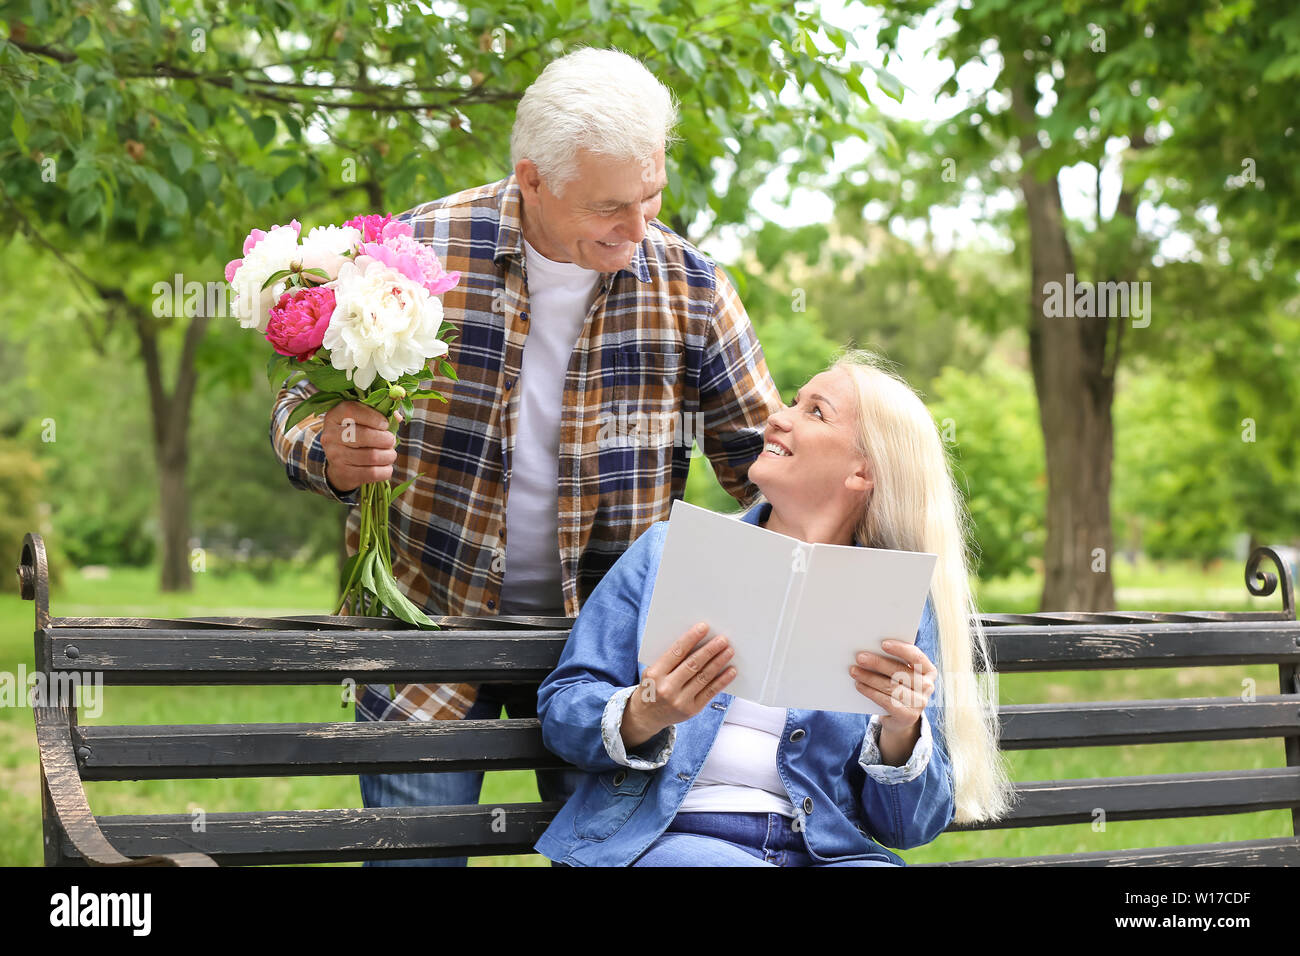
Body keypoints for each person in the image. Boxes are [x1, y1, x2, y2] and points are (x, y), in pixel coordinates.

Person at [268, 47, 786, 865]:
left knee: (611, 860)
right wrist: (327, 451)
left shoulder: (690, 286)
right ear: (533, 178)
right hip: (427, 630)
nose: (637, 228)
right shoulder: (418, 254)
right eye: (610, 207)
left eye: (650, 196)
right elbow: (299, 409)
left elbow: (767, 464)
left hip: (611, 660)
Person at [534, 349, 1018, 866]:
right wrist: (645, 711)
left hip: (829, 854)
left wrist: (901, 732)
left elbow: (909, 828)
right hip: (679, 840)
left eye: (815, 412)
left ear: (861, 472)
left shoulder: (897, 601)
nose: (777, 418)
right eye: (793, 401)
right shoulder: (667, 551)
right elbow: (564, 709)